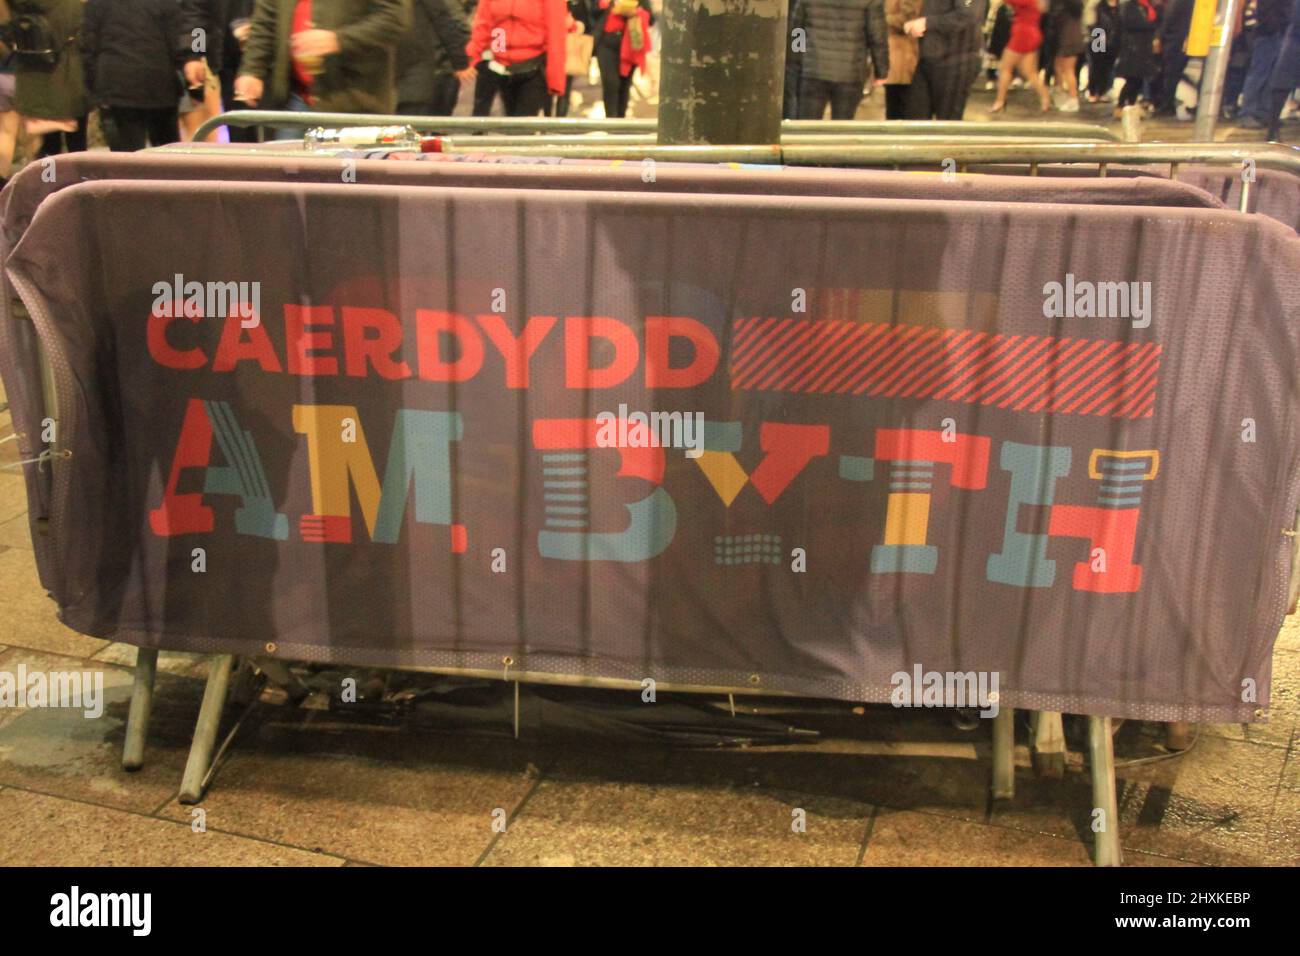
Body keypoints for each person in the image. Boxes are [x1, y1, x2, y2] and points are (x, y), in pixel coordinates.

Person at [234, 0, 408, 115]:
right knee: (287, 169)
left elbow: (394, 18)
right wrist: (252, 70)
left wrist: (337, 40)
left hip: (355, 104)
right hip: (295, 101)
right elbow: (266, 20)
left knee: (348, 171)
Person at [81, 0, 188, 151]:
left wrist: (94, 84)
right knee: (168, 154)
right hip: (160, 83)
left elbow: (88, 45)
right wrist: (196, 57)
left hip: (116, 84)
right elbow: (182, 37)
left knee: (126, 158)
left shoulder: (96, 3)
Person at [6, 0, 87, 155]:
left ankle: (49, 178)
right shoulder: (74, 5)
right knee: (77, 145)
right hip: (69, 80)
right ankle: (79, 179)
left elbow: (8, 32)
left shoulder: (16, 5)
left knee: (48, 148)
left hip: (32, 81)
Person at [461, 0, 567, 117]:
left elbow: (556, 34)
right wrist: (472, 55)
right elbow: (483, 22)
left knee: (522, 128)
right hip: (500, 67)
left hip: (533, 69)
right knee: (511, 124)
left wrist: (556, 80)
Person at [793, 0, 890, 120]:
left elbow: (797, 30)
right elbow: (877, 36)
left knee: (807, 127)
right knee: (842, 127)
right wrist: (881, 71)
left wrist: (799, 59)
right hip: (850, 73)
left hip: (813, 70)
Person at [902, 0, 989, 119]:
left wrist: (927, 23)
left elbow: (967, 15)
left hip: (956, 61)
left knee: (948, 121)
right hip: (928, 59)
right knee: (915, 119)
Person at [396, 0, 470, 116]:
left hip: (405, 73)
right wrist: (460, 62)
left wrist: (460, 61)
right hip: (419, 70)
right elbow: (445, 22)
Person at [590, 0, 652, 118]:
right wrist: (608, 5)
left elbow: (651, 17)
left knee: (624, 86)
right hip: (606, 43)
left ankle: (621, 122)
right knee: (610, 83)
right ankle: (611, 122)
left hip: (630, 44)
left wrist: (634, 11)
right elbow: (592, 13)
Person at [990, 0, 1051, 110]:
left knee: (1005, 68)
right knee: (1029, 72)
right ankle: (1045, 98)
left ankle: (1000, 101)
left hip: (1022, 34)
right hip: (1032, 33)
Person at [1239, 0, 1292, 127]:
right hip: (1269, 32)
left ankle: (1264, 112)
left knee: (1272, 74)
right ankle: (1247, 112)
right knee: (1259, 73)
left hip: (1278, 31)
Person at [1113, 0, 1160, 116]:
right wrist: (1152, 25)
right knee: (1131, 80)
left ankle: (1131, 106)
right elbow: (1132, 23)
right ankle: (1120, 106)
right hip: (1132, 49)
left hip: (1143, 49)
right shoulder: (1129, 6)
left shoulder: (1145, 6)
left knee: (1138, 80)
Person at [885, 0, 923, 117]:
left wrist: (879, 18)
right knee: (893, 107)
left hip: (904, 59)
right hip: (893, 58)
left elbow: (909, 19)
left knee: (903, 109)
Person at [1048, 0, 1083, 109]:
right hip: (1071, 38)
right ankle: (1061, 92)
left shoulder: (1063, 6)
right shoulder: (1076, 6)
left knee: (1068, 69)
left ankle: (1073, 99)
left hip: (1067, 39)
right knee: (1059, 66)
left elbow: (1055, 19)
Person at [1085, 0, 1119, 102]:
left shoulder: (1120, 6)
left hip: (1114, 40)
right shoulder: (1097, 5)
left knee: (1108, 66)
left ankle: (1102, 91)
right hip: (1098, 35)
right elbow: (1090, 22)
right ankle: (1092, 91)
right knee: (1096, 65)